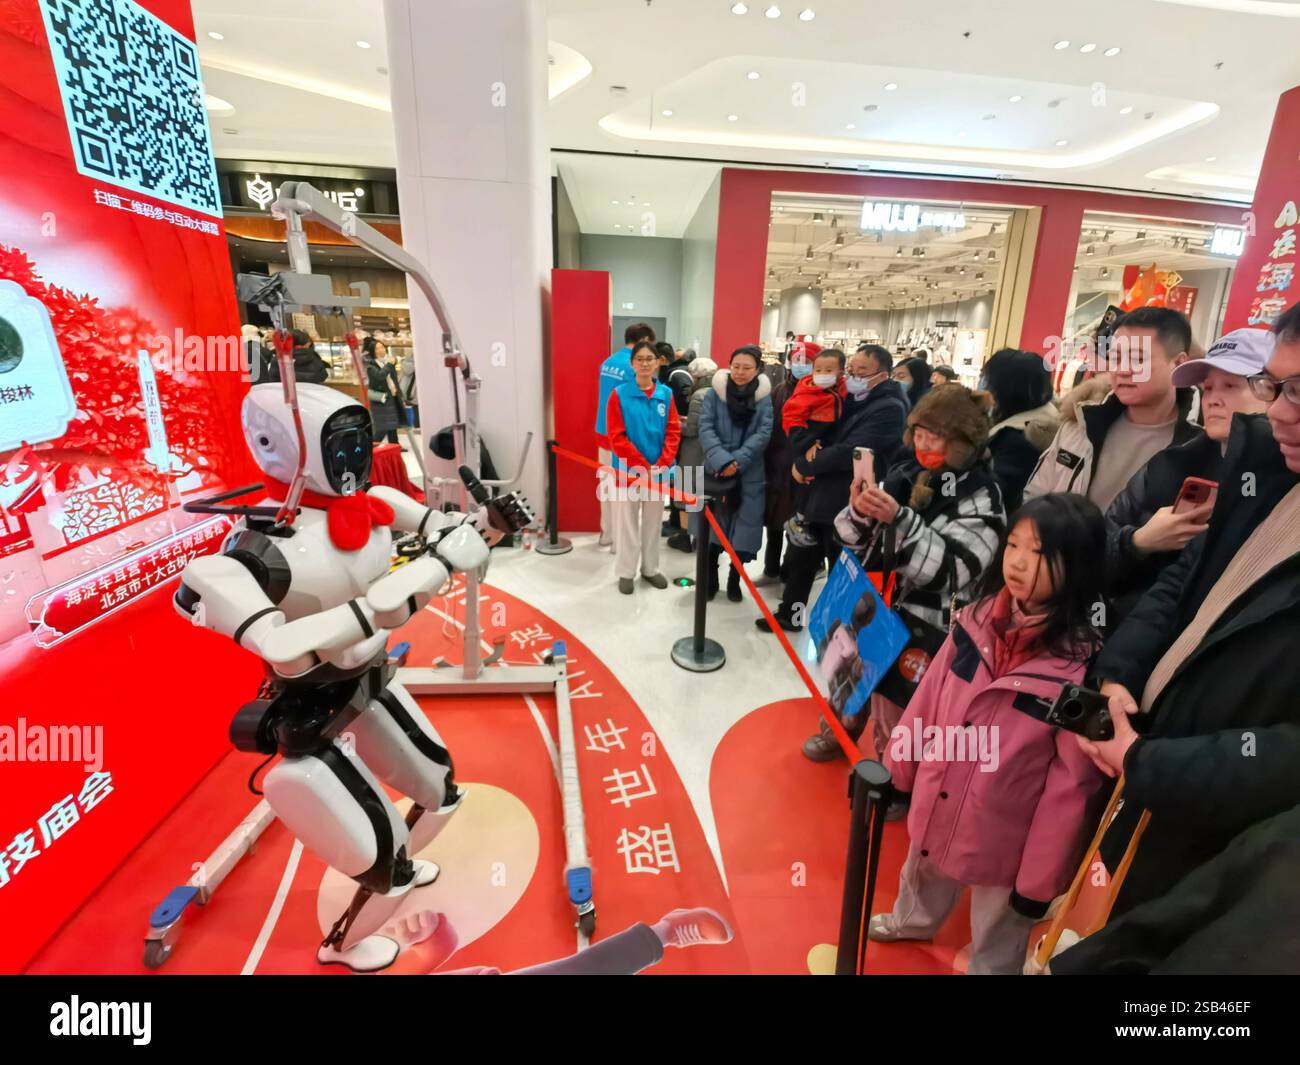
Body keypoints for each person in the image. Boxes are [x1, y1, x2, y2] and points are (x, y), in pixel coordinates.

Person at [1063, 305, 1300, 933]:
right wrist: (1117, 675)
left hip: (1218, 827)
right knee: (1097, 912)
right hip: (1144, 755)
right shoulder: (1254, 478)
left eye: (1240, 385)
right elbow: (1178, 588)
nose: (1276, 409)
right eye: (1275, 388)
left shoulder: (1246, 467)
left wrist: (1151, 763)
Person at [868, 494, 1110, 975]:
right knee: (922, 868)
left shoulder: (1082, 667)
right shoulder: (975, 621)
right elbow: (929, 698)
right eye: (1014, 544)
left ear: (1077, 565)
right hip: (940, 791)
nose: (1018, 562)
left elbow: (1071, 785)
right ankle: (912, 920)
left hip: (1007, 831)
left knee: (999, 924)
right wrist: (898, 768)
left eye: (1039, 553)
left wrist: (1039, 879)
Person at [801, 384, 1005, 762]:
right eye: (921, 435)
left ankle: (892, 775)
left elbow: (955, 571)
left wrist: (900, 519)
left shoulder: (983, 495)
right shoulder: (905, 469)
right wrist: (862, 511)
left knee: (898, 705)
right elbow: (856, 541)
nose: (925, 446)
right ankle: (839, 731)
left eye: (937, 439)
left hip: (930, 620)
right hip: (879, 600)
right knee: (850, 678)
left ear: (962, 442)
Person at [1103, 328, 1274, 622]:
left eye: (1230, 387)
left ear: (1271, 391)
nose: (1213, 400)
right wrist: (1139, 542)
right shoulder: (1169, 465)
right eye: (1207, 388)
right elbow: (1098, 554)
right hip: (1128, 630)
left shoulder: (1281, 481)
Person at [760, 345, 908, 634]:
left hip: (848, 502)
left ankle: (834, 630)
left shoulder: (889, 407)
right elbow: (820, 435)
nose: (853, 376)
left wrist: (804, 466)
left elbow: (849, 451)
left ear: (883, 374)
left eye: (861, 371)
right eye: (851, 370)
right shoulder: (849, 397)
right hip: (818, 497)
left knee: (840, 569)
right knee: (802, 559)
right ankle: (792, 615)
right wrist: (802, 458)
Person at [1024, 307, 1201, 510]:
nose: (1121, 370)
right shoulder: (1079, 426)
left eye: (1137, 359)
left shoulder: (1198, 444)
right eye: (1116, 358)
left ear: (1178, 364)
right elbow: (1034, 499)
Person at [692, 346, 773, 601]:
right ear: (728, 365)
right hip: (714, 471)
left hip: (749, 473)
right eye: (736, 366)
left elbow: (764, 432)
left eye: (747, 367)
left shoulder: (764, 397)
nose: (740, 372)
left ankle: (734, 579)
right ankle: (711, 578)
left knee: (743, 530)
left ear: (757, 369)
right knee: (712, 527)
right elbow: (705, 427)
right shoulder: (714, 394)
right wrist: (722, 460)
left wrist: (737, 461)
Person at [605, 339, 680, 594]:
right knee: (627, 524)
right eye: (640, 359)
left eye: (650, 359)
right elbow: (616, 436)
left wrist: (661, 463)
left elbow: (673, 431)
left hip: (658, 472)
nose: (645, 363)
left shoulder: (666, 394)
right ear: (632, 363)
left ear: (658, 362)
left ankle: (650, 569)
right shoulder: (619, 394)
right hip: (628, 471)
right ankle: (626, 572)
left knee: (653, 522)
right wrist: (640, 465)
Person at [596, 322, 657, 548]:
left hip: (603, 432)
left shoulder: (608, 362)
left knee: (606, 486)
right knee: (624, 493)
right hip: (624, 437)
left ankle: (607, 534)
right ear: (645, 341)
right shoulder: (634, 367)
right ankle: (618, 544)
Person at [782, 349, 847, 549]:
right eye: (818, 369)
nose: (822, 374)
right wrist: (807, 443)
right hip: (808, 439)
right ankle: (799, 519)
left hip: (830, 442)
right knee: (807, 481)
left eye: (829, 370)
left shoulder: (844, 389)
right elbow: (791, 420)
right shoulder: (806, 391)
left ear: (841, 372)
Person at [981, 348, 1059, 514]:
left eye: (986, 379)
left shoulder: (1018, 438)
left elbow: (997, 494)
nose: (982, 385)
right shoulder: (1044, 415)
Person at [759, 345, 812, 583]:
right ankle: (770, 570)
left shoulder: (819, 394)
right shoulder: (780, 389)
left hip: (802, 469)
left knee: (796, 524)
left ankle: (788, 577)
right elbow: (768, 425)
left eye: (806, 360)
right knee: (773, 521)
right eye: (797, 359)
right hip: (775, 464)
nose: (801, 364)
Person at [674, 356, 719, 552]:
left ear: (698, 376)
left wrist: (676, 424)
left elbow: (692, 429)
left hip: (693, 451)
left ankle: (685, 537)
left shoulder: (699, 395)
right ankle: (702, 537)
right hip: (711, 452)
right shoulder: (719, 392)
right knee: (704, 495)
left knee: (686, 494)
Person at [658, 343, 697, 542]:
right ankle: (675, 522)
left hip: (685, 441)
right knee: (680, 482)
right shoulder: (679, 373)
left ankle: (678, 526)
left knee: (682, 483)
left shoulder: (677, 375)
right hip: (684, 440)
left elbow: (684, 402)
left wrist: (677, 419)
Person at [363, 336, 405, 444]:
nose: (381, 350)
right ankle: (371, 448)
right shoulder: (370, 364)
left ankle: (395, 447)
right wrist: (390, 364)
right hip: (380, 398)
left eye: (382, 347)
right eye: (377, 348)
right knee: (382, 428)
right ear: (372, 351)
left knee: (392, 424)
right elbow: (379, 376)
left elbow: (393, 379)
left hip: (391, 396)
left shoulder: (387, 361)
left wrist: (397, 392)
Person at [264, 328, 330, 385]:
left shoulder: (278, 359)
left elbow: (273, 381)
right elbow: (323, 376)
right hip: (311, 395)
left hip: (287, 396)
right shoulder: (312, 356)